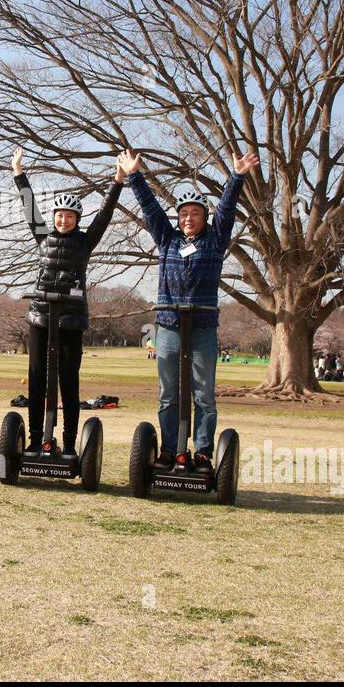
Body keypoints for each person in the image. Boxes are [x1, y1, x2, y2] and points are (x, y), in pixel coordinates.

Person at [123, 145, 259, 470]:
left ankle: (201, 451)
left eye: (194, 213)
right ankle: (170, 448)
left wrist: (237, 177)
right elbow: (150, 208)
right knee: (168, 394)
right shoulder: (168, 240)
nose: (188, 218)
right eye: (183, 214)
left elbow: (226, 211)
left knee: (204, 396)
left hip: (202, 328)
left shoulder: (214, 242)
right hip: (169, 326)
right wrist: (134, 175)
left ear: (203, 217)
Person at [11, 147, 124, 454]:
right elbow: (29, 207)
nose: (63, 220)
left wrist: (118, 180)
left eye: (70, 216)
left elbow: (105, 215)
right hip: (41, 316)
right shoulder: (43, 237)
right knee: (36, 380)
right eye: (59, 215)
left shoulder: (85, 242)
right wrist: (19, 173)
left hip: (71, 319)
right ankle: (36, 440)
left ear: (76, 219)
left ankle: (69, 443)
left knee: (68, 381)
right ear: (54, 217)